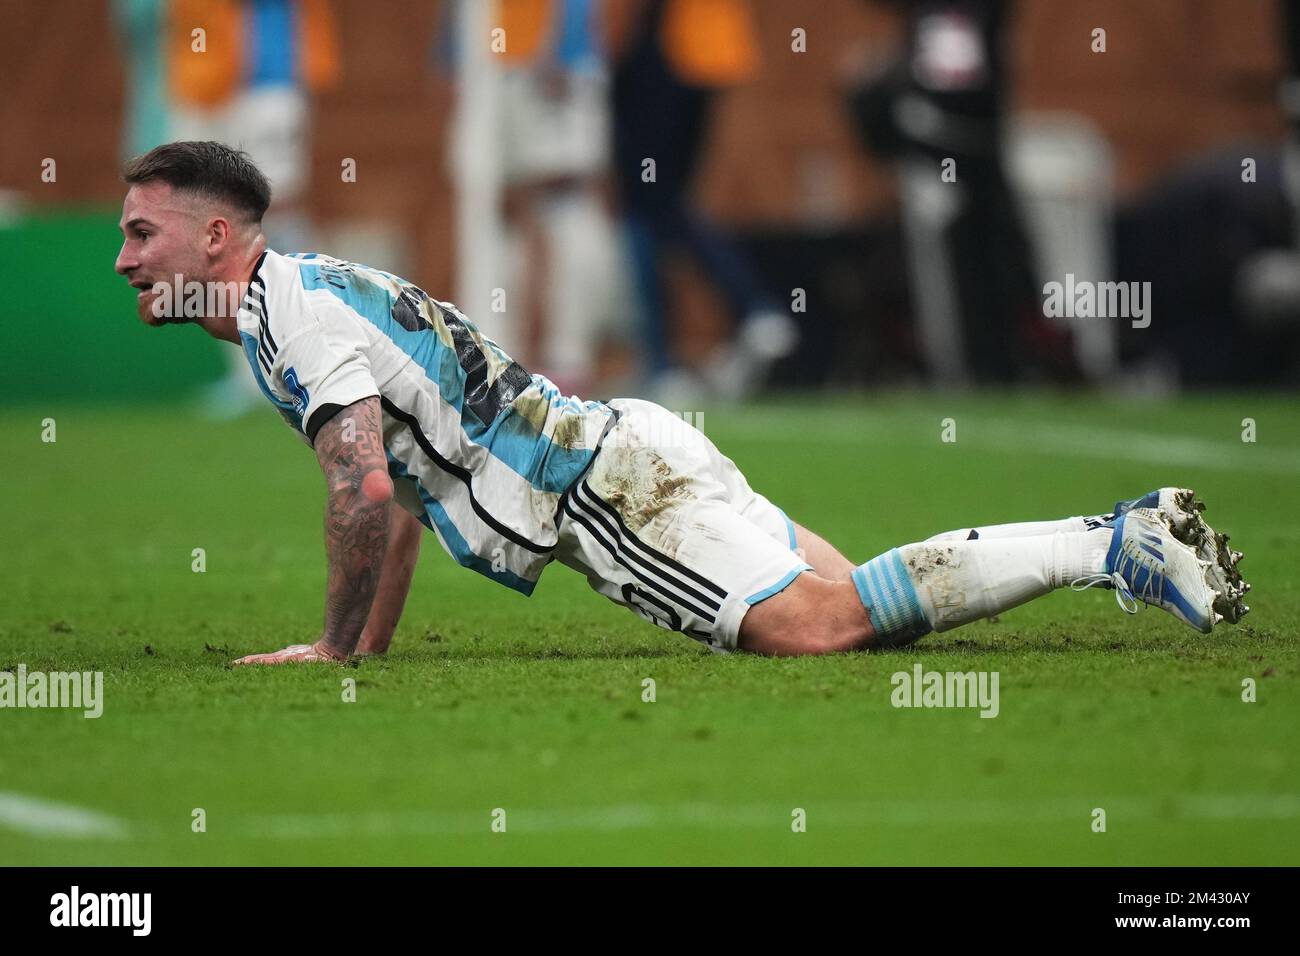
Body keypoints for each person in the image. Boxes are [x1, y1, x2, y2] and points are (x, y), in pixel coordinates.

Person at [113, 142, 1250, 665]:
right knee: (860, 606)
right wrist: (357, 646)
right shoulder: (294, 303)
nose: (124, 260)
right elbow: (400, 489)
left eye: (141, 233)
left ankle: (1117, 543)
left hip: (597, 495)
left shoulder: (297, 321)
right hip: (626, 443)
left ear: (215, 236)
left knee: (821, 628)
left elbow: (361, 486)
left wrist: (326, 643)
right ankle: (1123, 536)